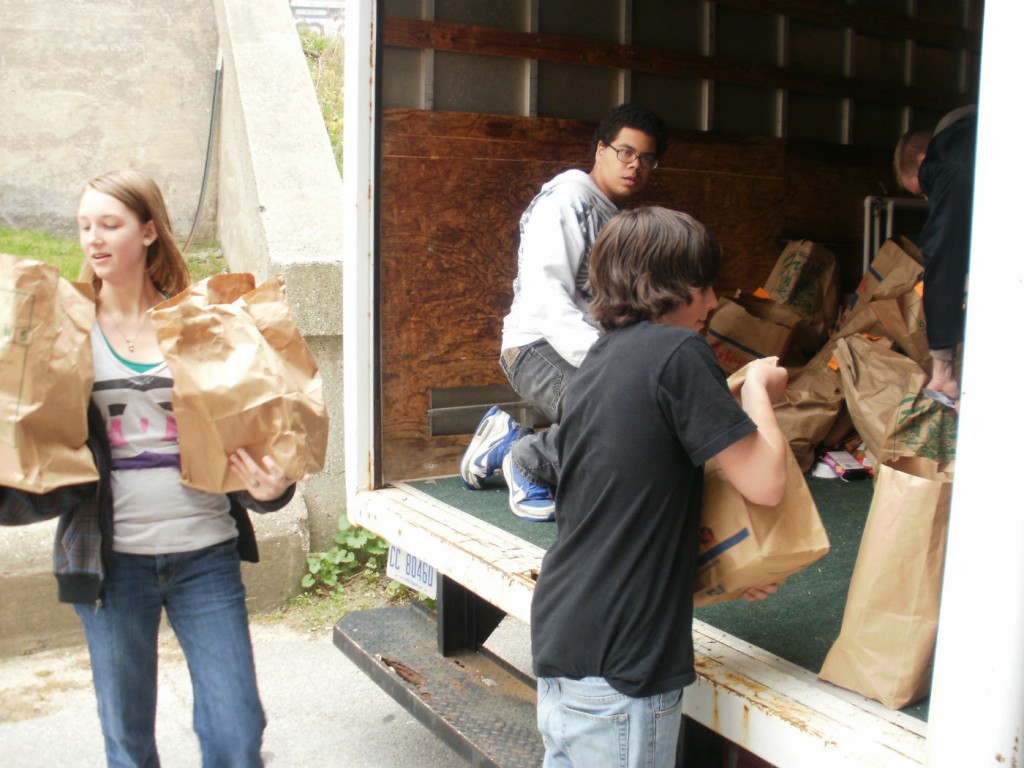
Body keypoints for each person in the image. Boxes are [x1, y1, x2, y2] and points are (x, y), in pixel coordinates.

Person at [0, 169, 300, 767]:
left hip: (205, 555)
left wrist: (272, 489)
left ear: (148, 232)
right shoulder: (60, 333)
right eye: (84, 226)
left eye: (109, 224)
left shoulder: (203, 324)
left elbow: (252, 430)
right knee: (129, 741)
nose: (93, 239)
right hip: (111, 567)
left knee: (238, 731)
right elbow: (32, 451)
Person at [529, 207, 789, 767]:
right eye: (702, 283)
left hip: (565, 641)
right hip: (626, 663)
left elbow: (632, 504)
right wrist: (759, 391)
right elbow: (766, 483)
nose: (715, 301)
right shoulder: (679, 354)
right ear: (665, 285)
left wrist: (734, 566)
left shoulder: (596, 366)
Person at [460, 103, 668, 521]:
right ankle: (527, 461)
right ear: (601, 150)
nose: (635, 166)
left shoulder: (620, 217)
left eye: (647, 159)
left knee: (643, 415)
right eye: (626, 152)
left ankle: (502, 439)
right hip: (535, 346)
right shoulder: (568, 199)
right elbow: (545, 295)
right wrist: (607, 364)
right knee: (615, 415)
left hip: (586, 350)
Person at [893, 105, 977, 408]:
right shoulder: (973, 135)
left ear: (923, 161)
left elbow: (943, 256)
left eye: (923, 191)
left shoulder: (947, 163)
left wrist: (942, 365)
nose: (929, 200)